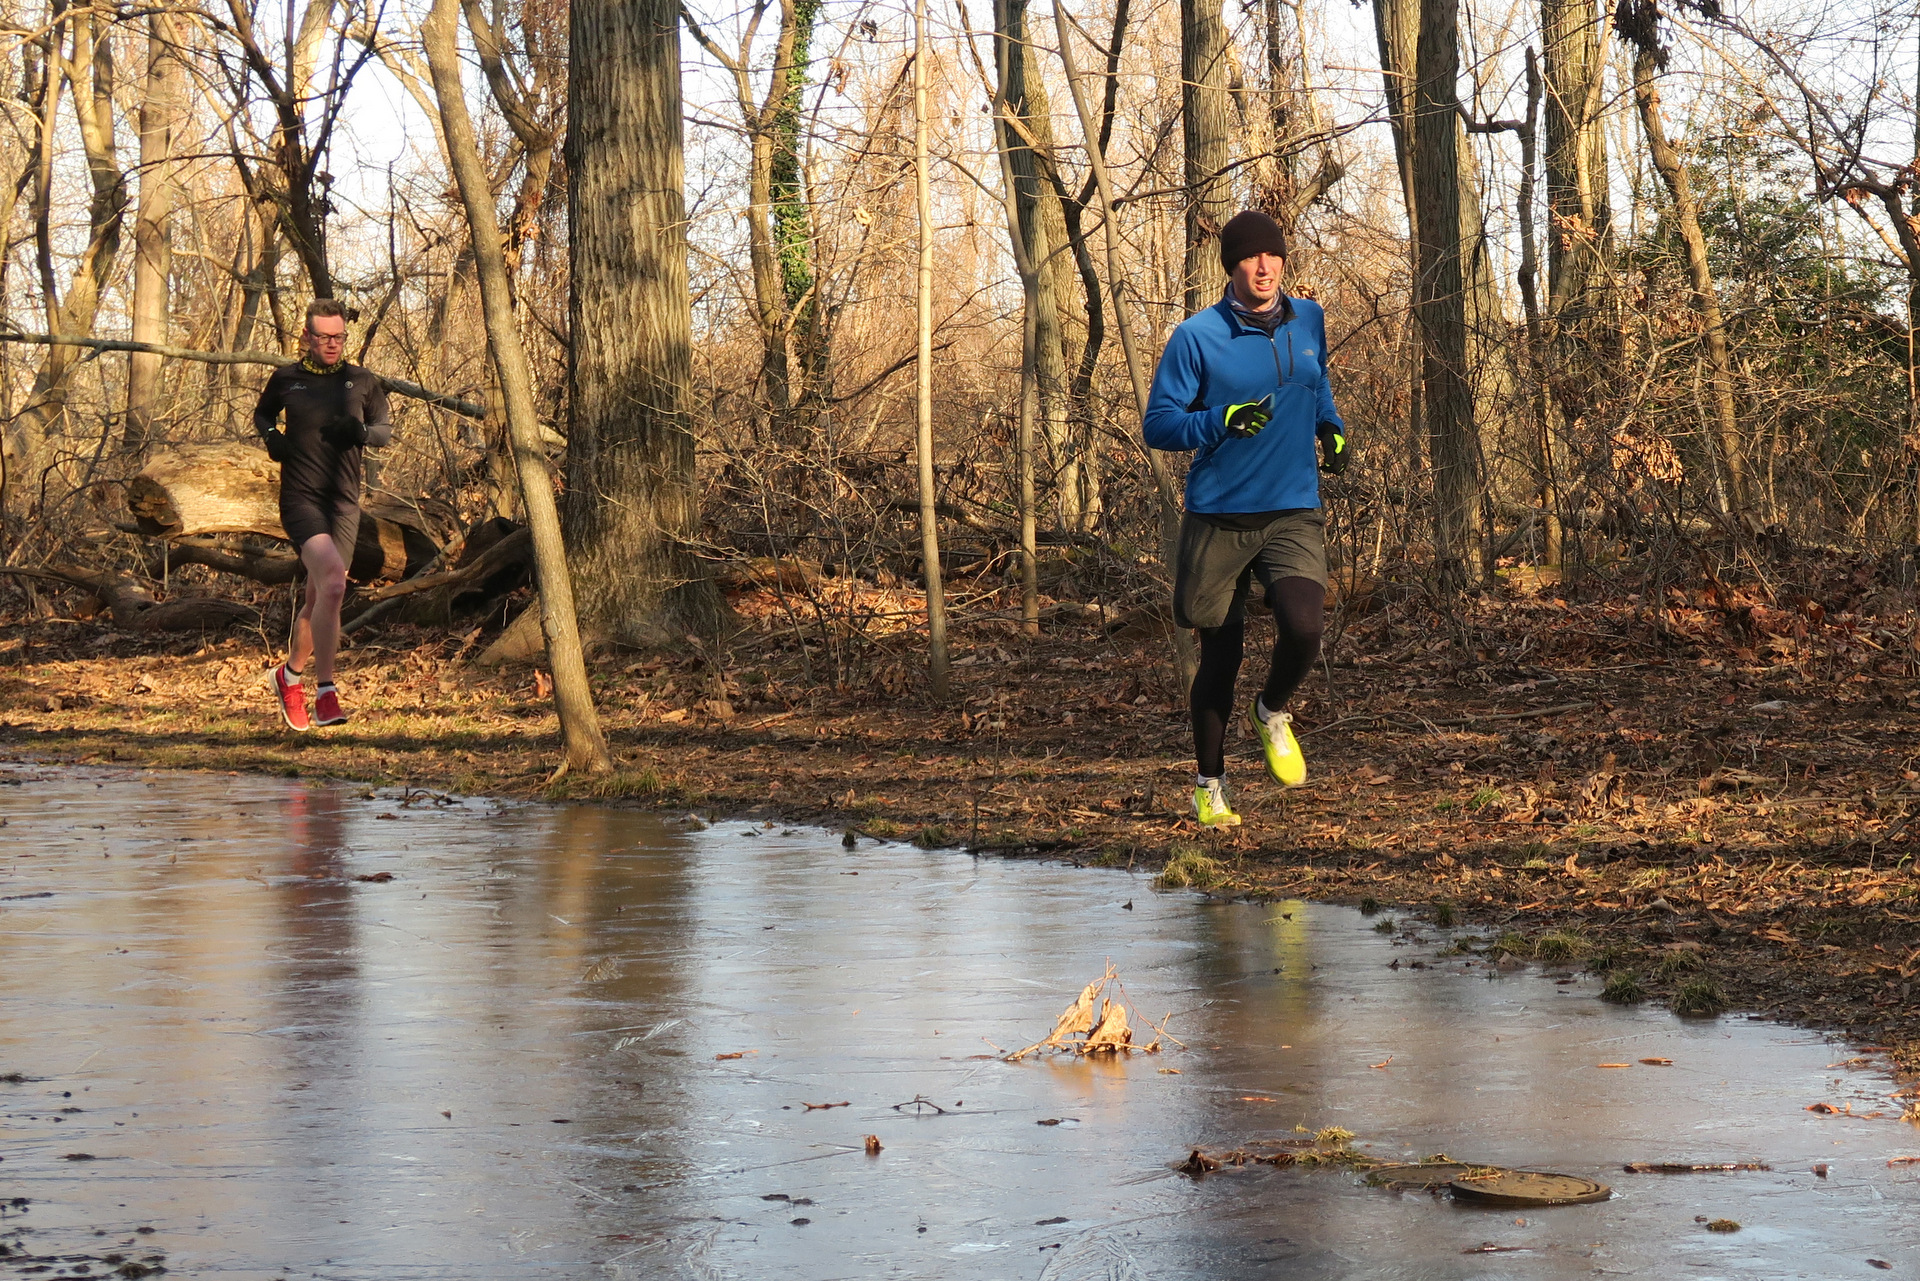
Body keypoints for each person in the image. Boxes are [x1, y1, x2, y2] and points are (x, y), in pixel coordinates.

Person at [1142, 210, 1349, 828]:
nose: (1263, 267)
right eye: (1250, 259)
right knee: (1221, 658)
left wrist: (1330, 429)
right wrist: (1220, 419)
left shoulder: (1308, 318)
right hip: (1221, 516)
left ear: (1284, 261)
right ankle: (1210, 784)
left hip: (1293, 508)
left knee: (1305, 628)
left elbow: (1318, 386)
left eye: (1272, 257)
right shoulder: (1196, 337)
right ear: (1231, 267)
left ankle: (1273, 710)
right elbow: (1159, 424)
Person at [254, 299, 391, 731]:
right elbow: (262, 414)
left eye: (339, 337)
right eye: (324, 337)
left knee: (321, 599)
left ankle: (289, 676)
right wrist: (272, 436)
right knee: (333, 582)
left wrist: (361, 433)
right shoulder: (287, 379)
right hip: (301, 500)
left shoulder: (361, 381)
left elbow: (384, 433)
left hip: (345, 503)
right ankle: (326, 692)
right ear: (307, 337)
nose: (332, 345)